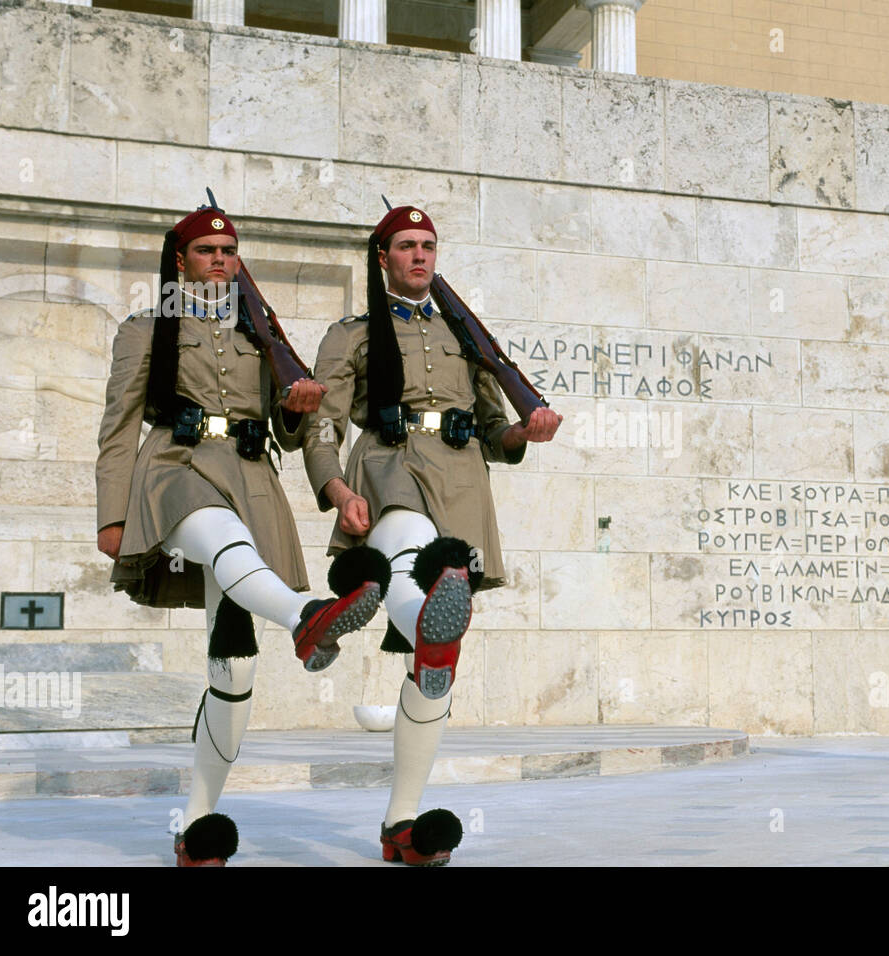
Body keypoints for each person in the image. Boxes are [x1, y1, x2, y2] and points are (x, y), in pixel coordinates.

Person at [95, 207, 390, 866]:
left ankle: (199, 823)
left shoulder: (261, 340)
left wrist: (294, 409)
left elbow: (289, 434)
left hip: (253, 480)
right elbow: (118, 426)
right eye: (206, 250)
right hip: (177, 469)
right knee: (223, 538)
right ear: (180, 260)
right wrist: (111, 516)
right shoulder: (146, 330)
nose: (220, 261)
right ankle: (306, 618)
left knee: (235, 665)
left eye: (229, 250)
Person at [301, 205, 561, 865]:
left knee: (438, 668)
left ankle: (401, 826)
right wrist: (335, 487)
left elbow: (495, 433)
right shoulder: (353, 331)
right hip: (389, 469)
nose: (420, 256)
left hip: (463, 482)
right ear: (383, 257)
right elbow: (324, 423)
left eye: (429, 246)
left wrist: (524, 434)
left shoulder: (463, 333)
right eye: (407, 247)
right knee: (416, 564)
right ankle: (427, 616)